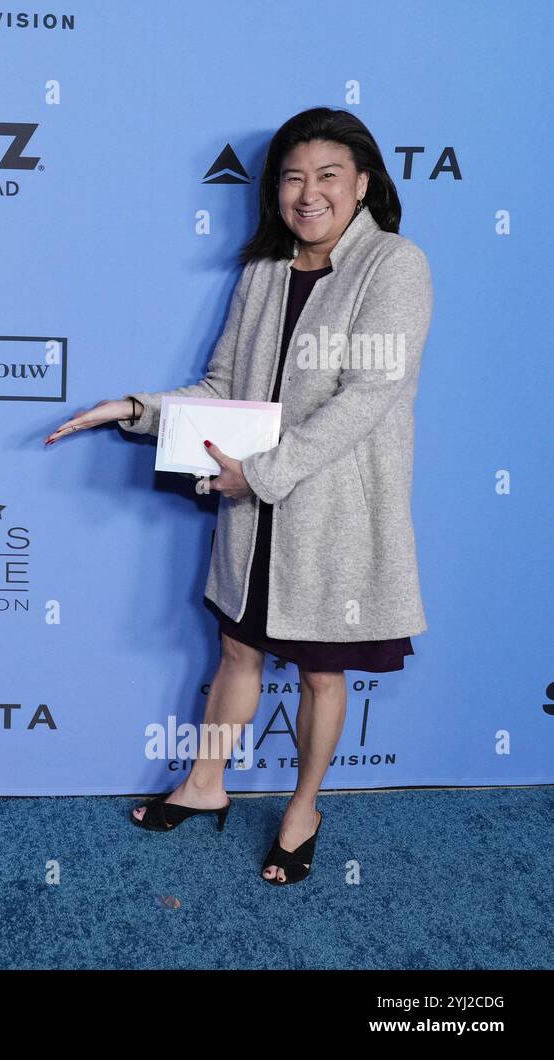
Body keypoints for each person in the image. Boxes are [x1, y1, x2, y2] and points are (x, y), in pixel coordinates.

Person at [45, 107, 432, 885]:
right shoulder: (263, 270)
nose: (308, 192)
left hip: (332, 513)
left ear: (362, 184)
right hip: (254, 514)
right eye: (293, 177)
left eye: (327, 175)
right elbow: (223, 387)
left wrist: (258, 474)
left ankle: (304, 809)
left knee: (324, 672)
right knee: (237, 647)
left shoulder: (395, 265)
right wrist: (134, 409)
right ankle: (204, 782)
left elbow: (368, 397)